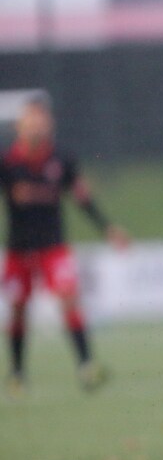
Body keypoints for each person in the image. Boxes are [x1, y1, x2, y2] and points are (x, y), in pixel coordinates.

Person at [1, 97, 130, 398]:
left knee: (69, 297)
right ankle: (17, 374)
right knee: (18, 309)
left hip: (53, 247)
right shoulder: (8, 163)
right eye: (31, 119)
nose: (37, 125)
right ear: (20, 125)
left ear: (49, 124)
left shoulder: (62, 160)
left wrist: (107, 228)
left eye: (42, 119)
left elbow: (82, 198)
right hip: (18, 249)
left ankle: (87, 366)